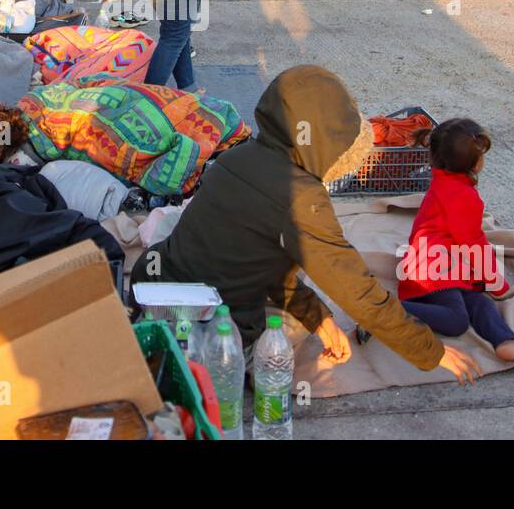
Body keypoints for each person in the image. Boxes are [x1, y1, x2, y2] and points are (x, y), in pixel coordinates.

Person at [134, 66, 482, 383]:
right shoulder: (302, 199)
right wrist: (429, 351)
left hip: (154, 289)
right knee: (286, 331)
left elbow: (259, 257)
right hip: (208, 334)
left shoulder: (238, 155)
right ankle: (249, 371)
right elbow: (357, 290)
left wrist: (319, 316)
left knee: (290, 283)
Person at [397, 118, 514, 363]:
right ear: (474, 162)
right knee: (457, 319)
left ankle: (505, 340)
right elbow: (473, 244)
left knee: (479, 301)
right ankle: (388, 312)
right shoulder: (463, 196)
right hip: (434, 270)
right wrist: (495, 282)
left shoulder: (443, 180)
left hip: (440, 264)